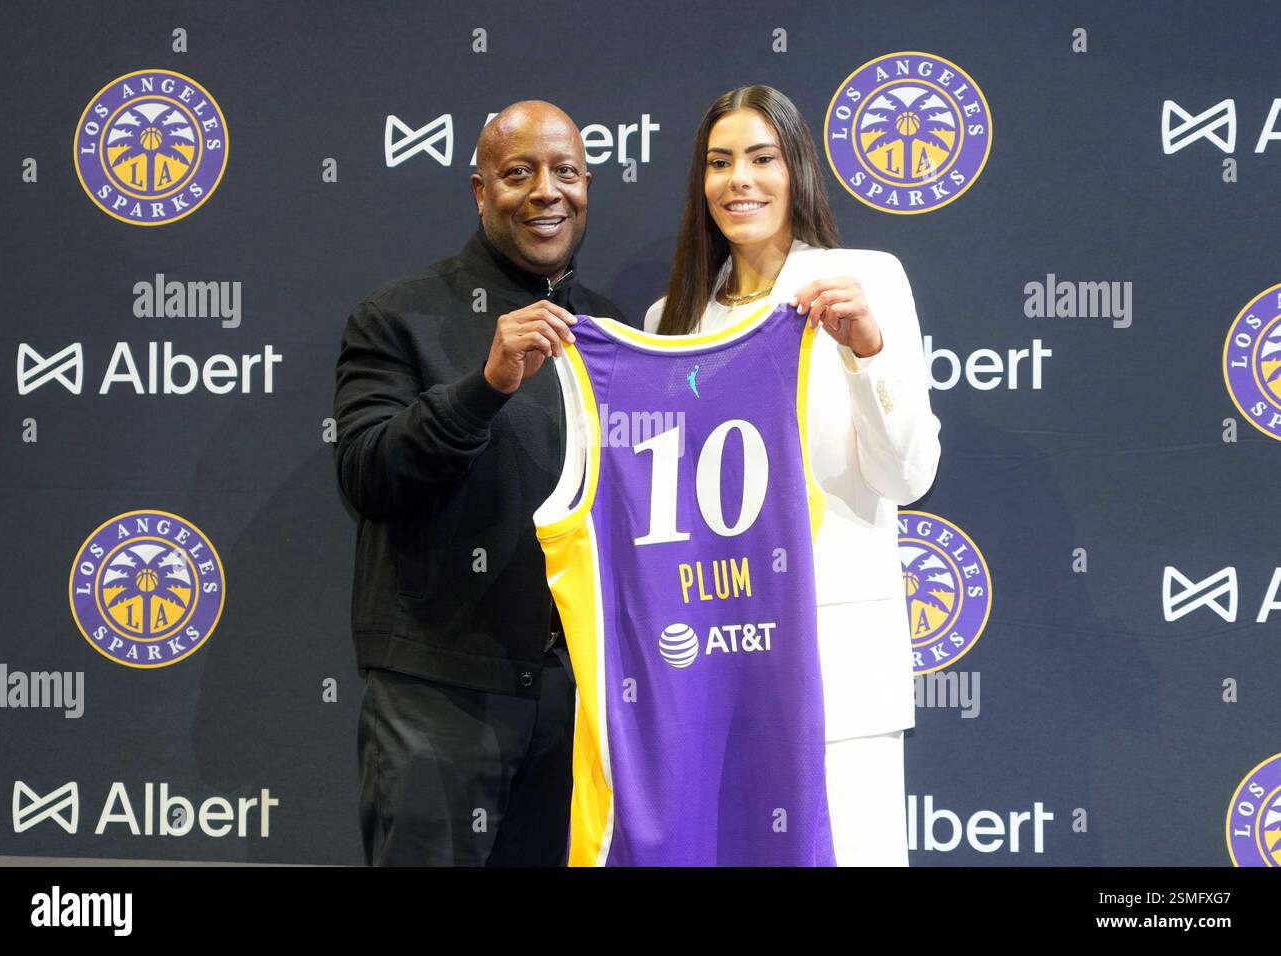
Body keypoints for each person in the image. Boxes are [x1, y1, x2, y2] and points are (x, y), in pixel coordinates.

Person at [644, 85, 942, 866]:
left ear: (797, 169)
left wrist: (866, 349)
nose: (738, 180)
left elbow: (908, 476)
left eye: (760, 158)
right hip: (713, 660)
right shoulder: (667, 323)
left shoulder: (863, 278)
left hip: (833, 662)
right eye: (718, 163)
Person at [332, 100, 625, 866]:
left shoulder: (616, 332)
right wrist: (485, 386)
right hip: (437, 697)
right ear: (479, 190)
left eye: (565, 171)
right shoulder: (400, 315)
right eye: (518, 173)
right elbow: (368, 478)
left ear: (588, 184)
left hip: (577, 705)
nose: (546, 192)